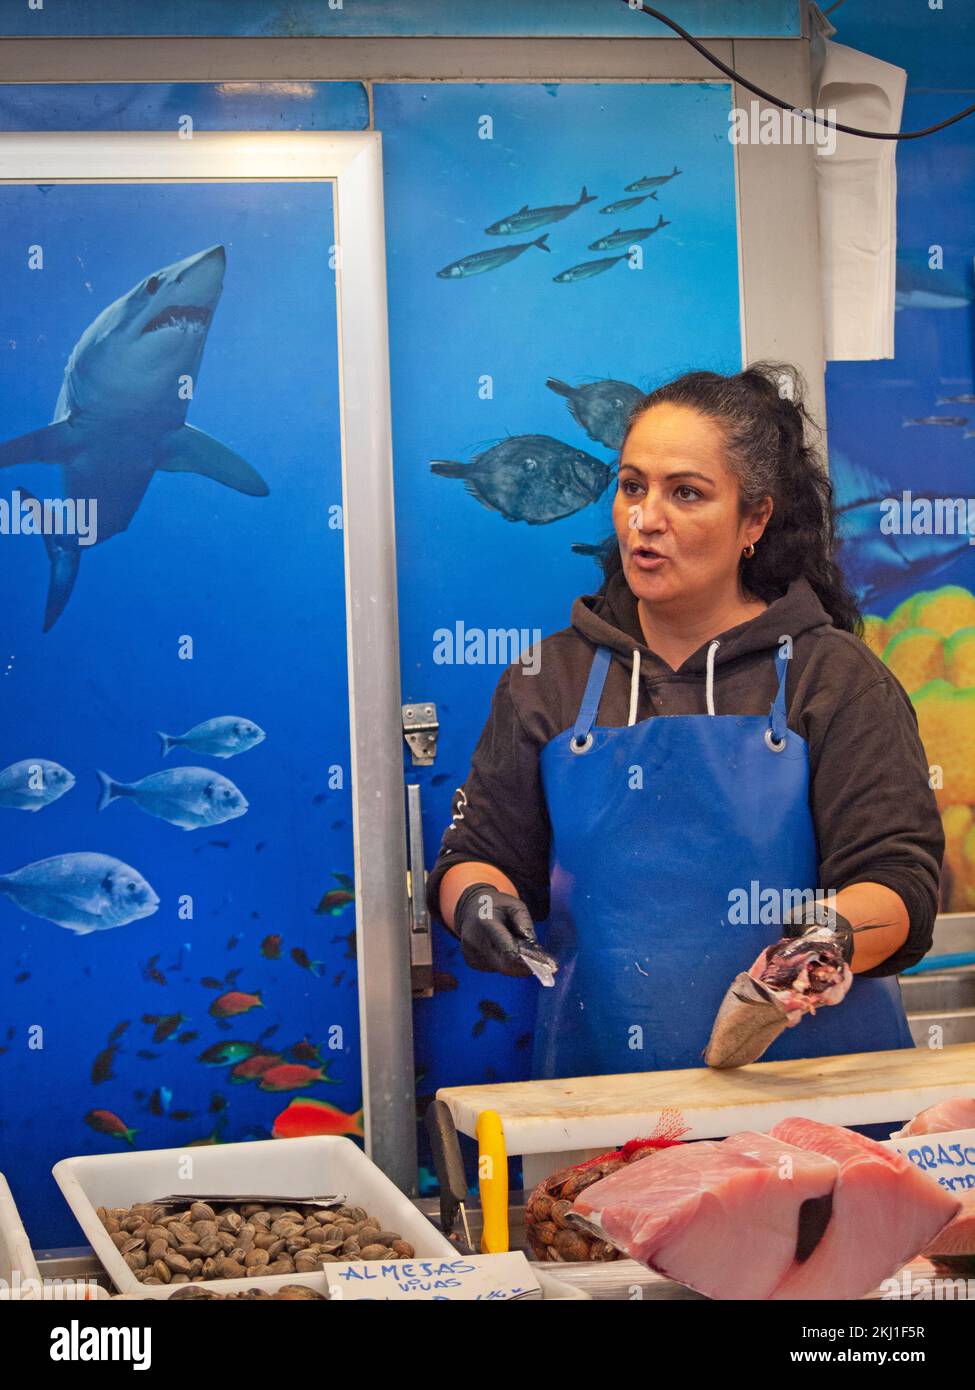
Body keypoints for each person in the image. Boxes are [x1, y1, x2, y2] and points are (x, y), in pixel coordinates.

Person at [425, 362, 944, 1080]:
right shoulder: (547, 682)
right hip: (607, 1099)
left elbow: (899, 879)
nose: (645, 518)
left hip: (817, 1113)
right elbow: (477, 854)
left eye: (685, 494)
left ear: (753, 519)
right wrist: (478, 901)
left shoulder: (833, 678)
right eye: (632, 487)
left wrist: (826, 941)